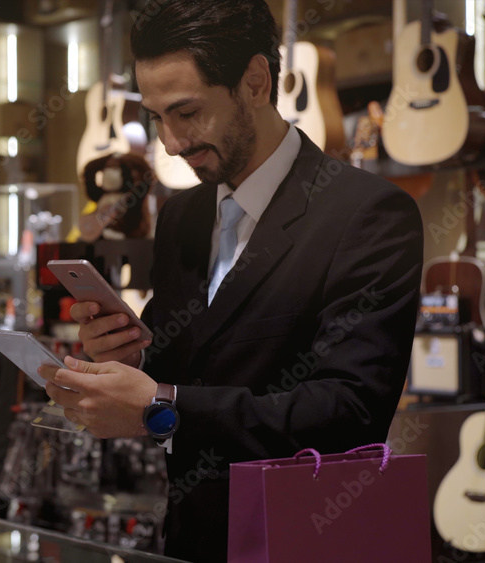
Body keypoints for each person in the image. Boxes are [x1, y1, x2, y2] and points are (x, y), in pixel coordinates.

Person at [37, 1, 425, 561]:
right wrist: (131, 361)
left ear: (256, 82)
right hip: (190, 538)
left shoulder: (366, 216)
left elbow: (350, 413)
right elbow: (187, 371)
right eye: (157, 117)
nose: (170, 142)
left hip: (306, 539)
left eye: (187, 112)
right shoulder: (180, 218)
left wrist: (156, 406)